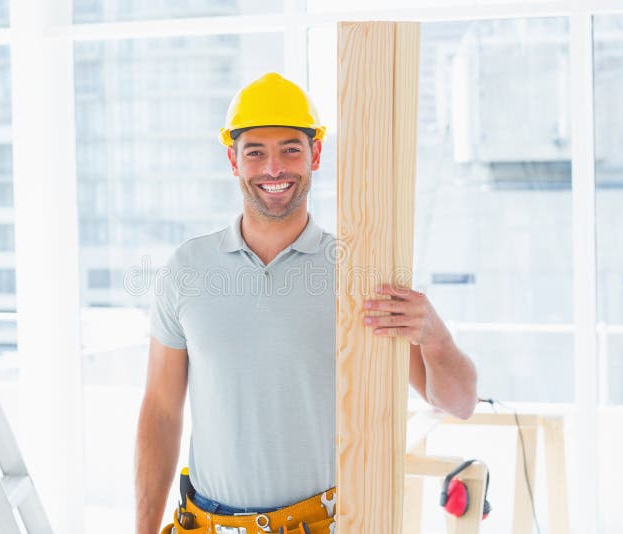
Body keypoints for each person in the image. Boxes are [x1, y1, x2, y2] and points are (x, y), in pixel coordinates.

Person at [134, 72, 478, 534]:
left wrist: (434, 335)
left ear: (315, 154)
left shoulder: (357, 274)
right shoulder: (187, 269)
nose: (273, 169)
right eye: (255, 152)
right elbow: (160, 410)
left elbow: (457, 402)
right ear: (233, 160)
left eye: (290, 150)